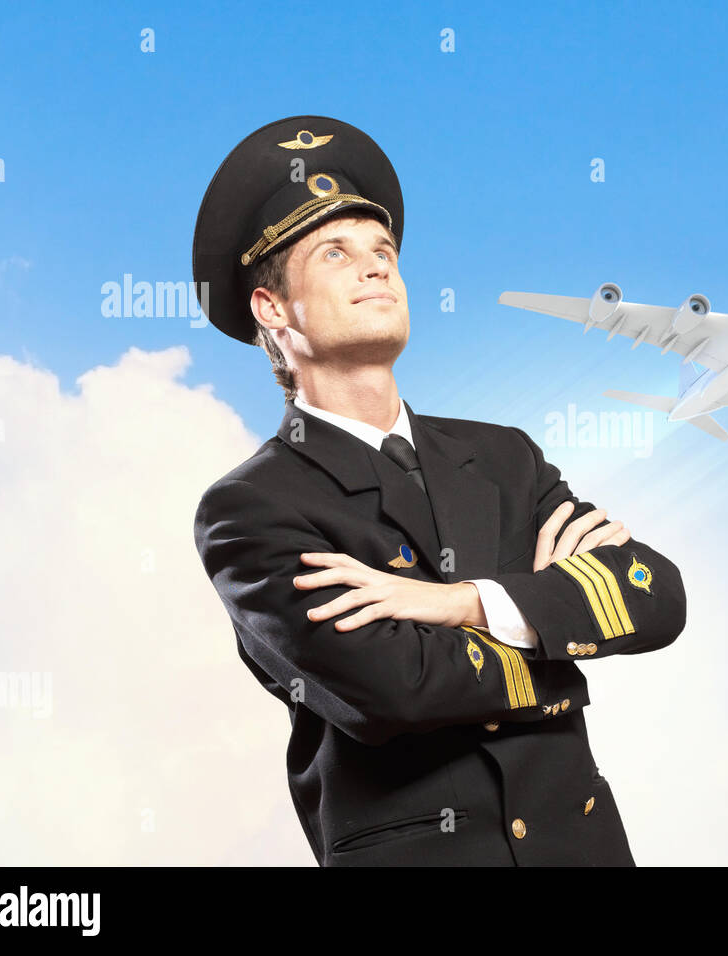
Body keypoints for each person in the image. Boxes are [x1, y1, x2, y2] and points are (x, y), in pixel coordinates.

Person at [190, 115, 687, 865]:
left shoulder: (503, 457)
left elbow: (656, 595)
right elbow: (395, 691)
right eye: (335, 253)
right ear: (272, 309)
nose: (376, 268)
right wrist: (553, 631)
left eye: (382, 251)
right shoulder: (250, 510)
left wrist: (465, 603)